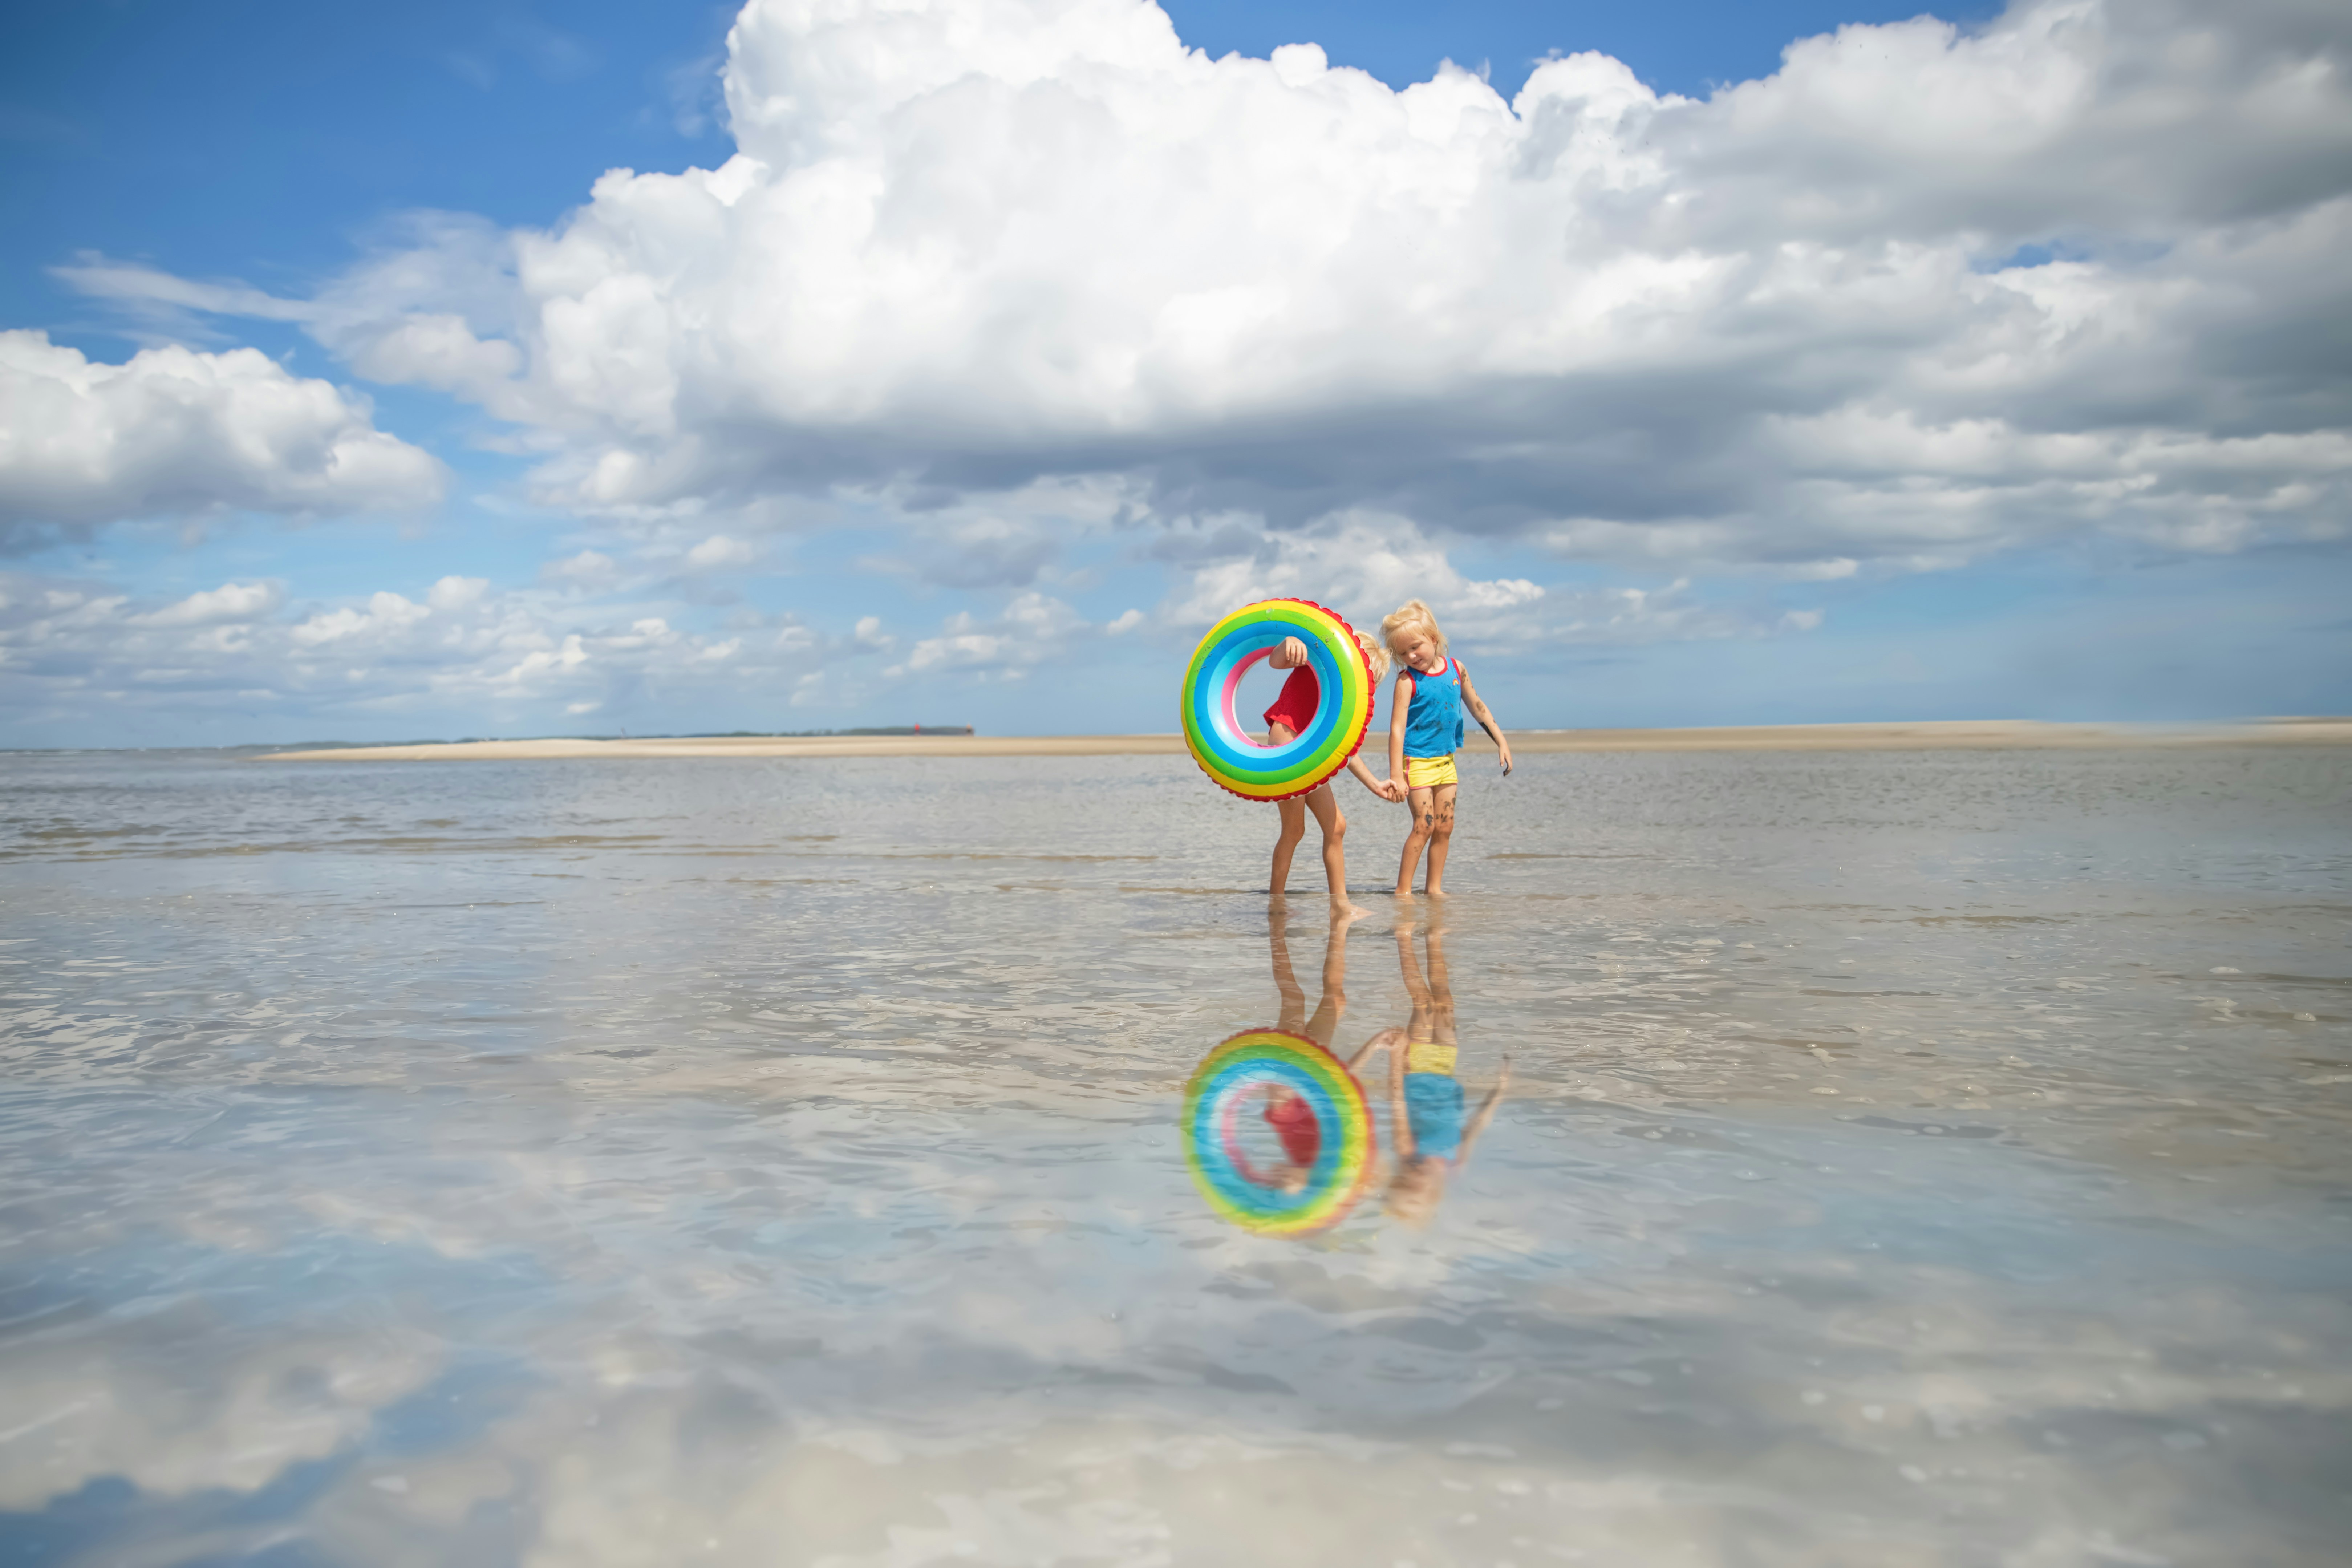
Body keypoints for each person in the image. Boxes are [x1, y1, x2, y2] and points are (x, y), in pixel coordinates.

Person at [1374, 916, 1510, 1225]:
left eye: (1405, 1184)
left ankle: (1403, 936)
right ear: (1432, 1196)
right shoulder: (1454, 1164)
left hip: (1416, 1068)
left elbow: (1397, 1101)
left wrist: (1396, 1057)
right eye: (1417, 1191)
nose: (1414, 1181)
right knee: (1445, 1002)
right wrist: (1499, 1090)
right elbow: (1477, 1124)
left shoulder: (1407, 1150)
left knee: (1422, 1002)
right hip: (1445, 1067)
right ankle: (1434, 939)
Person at [1264, 629, 1404, 912]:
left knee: (1336, 827)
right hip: (1288, 741)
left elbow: (1345, 752)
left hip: (1309, 754)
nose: (1364, 687)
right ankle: (1276, 904)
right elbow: (1275, 661)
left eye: (1371, 684)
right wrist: (1288, 644)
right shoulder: (1314, 665)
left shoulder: (1339, 704)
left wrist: (1376, 784)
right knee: (1293, 830)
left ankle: (1340, 905)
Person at [1380, 599, 1511, 899]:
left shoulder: (1456, 669)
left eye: (1415, 647)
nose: (1411, 656)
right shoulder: (1406, 681)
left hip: (1446, 761)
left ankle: (1434, 888)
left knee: (1445, 826)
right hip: (1417, 763)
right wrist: (1396, 775)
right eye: (1403, 653)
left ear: (1434, 639)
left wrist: (1502, 741)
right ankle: (1403, 891)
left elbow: (1477, 706)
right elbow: (1397, 730)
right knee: (1423, 826)